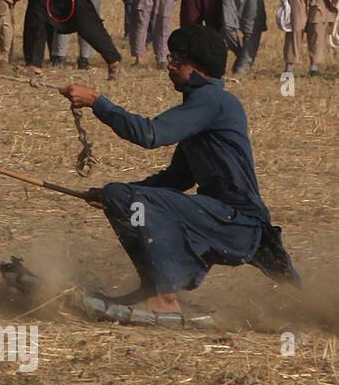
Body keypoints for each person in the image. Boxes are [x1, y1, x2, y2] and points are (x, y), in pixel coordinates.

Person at [61, 26, 297, 327]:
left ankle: (164, 297)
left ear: (199, 68)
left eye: (178, 60)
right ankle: (154, 290)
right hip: (225, 219)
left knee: (122, 198)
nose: (170, 65)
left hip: (237, 221)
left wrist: (98, 102)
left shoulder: (212, 101)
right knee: (119, 196)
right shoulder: (205, 104)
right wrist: (115, 193)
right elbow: (178, 179)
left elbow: (150, 134)